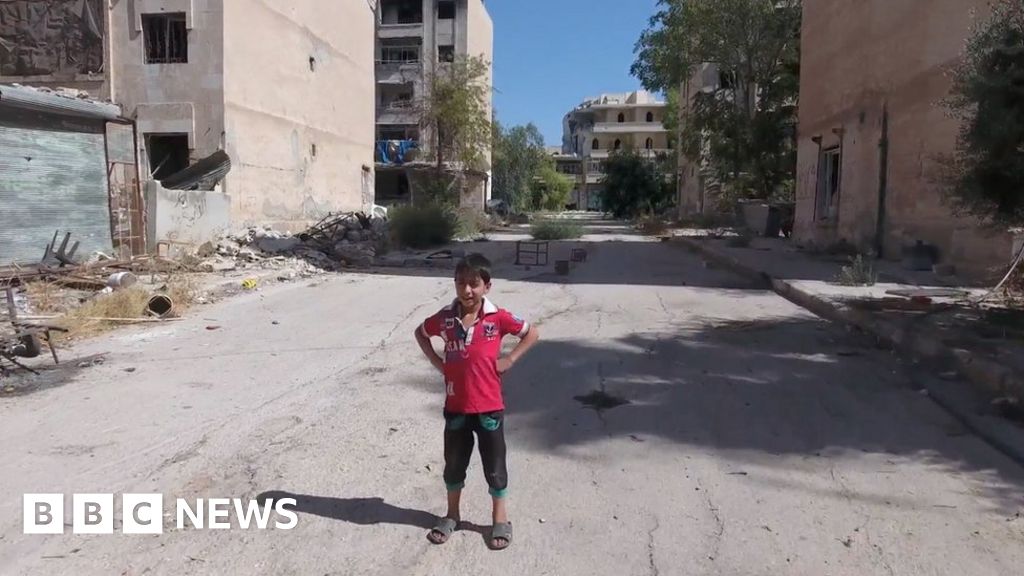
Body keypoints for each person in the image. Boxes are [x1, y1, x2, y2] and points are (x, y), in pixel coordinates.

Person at [414, 253, 540, 550]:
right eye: (461, 283)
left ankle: (500, 519)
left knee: (494, 466)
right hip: (456, 407)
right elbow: (421, 333)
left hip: (489, 409)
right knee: (454, 465)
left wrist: (509, 359)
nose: (466, 290)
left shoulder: (498, 318)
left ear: (487, 286)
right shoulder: (445, 318)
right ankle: (452, 515)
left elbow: (531, 333)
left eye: (474, 284)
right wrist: (438, 362)